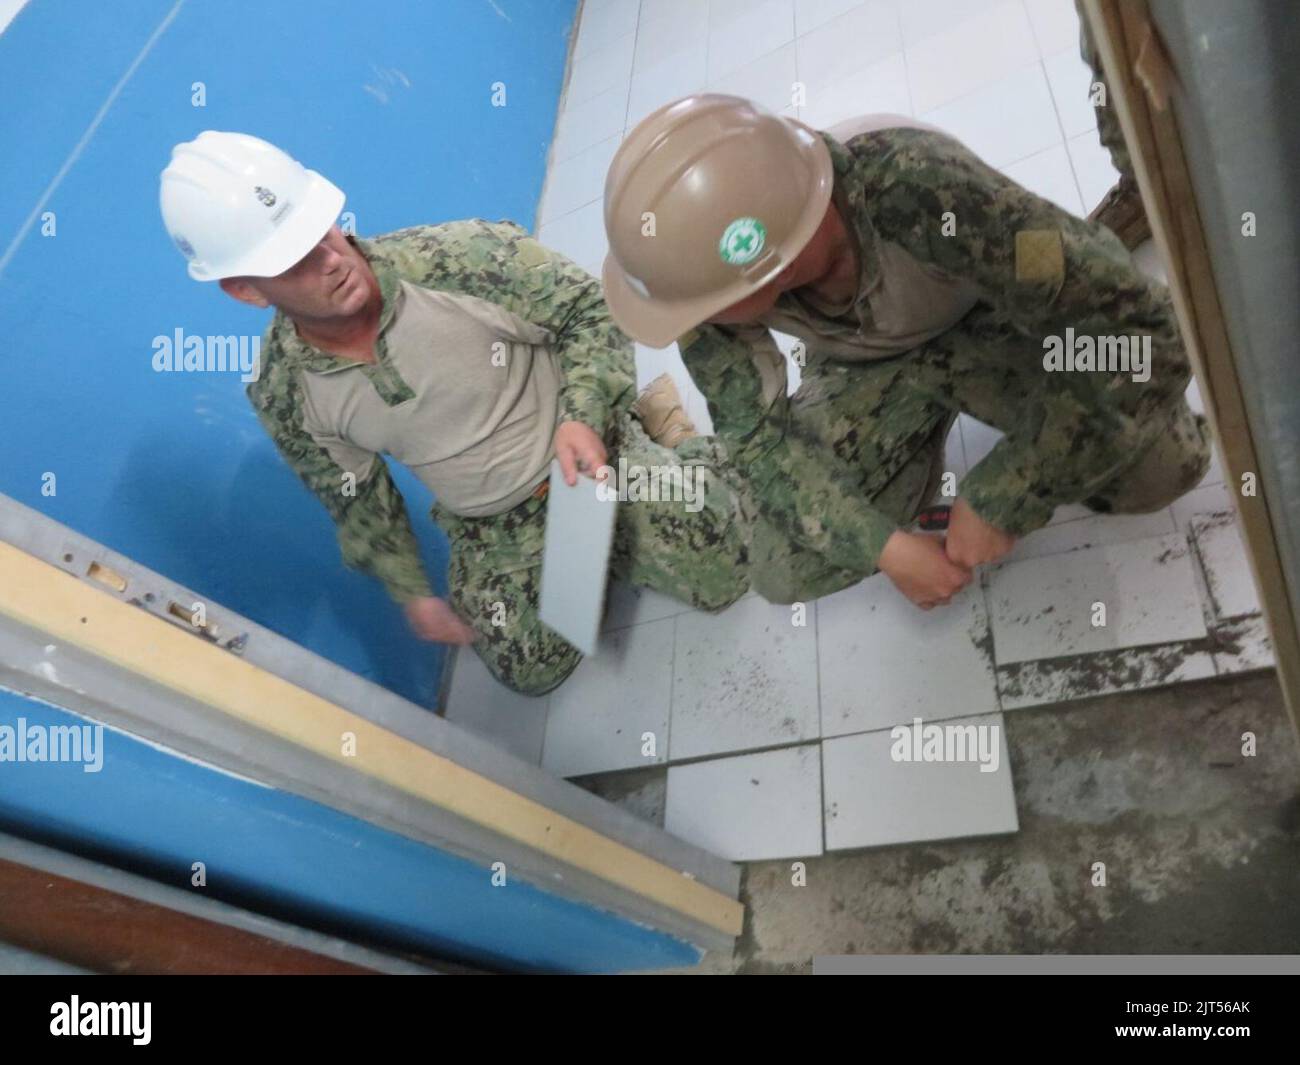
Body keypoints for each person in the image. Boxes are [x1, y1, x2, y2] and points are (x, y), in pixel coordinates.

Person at [160, 131, 751, 694]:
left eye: (327, 232)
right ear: (246, 290)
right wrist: (411, 590)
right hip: (492, 523)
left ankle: (664, 439)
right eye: (295, 260)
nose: (333, 261)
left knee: (729, 566)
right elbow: (356, 498)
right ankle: (612, 543)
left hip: (591, 455)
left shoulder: (462, 259)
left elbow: (592, 312)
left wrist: (584, 414)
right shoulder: (286, 392)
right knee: (529, 669)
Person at [601, 96, 1210, 610]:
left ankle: (955, 429)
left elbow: (1144, 333)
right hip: (865, 365)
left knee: (1161, 468)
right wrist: (884, 547)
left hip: (988, 325)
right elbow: (759, 443)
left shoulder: (928, 191)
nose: (699, 325)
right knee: (783, 568)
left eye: (707, 309)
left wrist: (1006, 491)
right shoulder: (702, 281)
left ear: (767, 270)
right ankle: (917, 444)